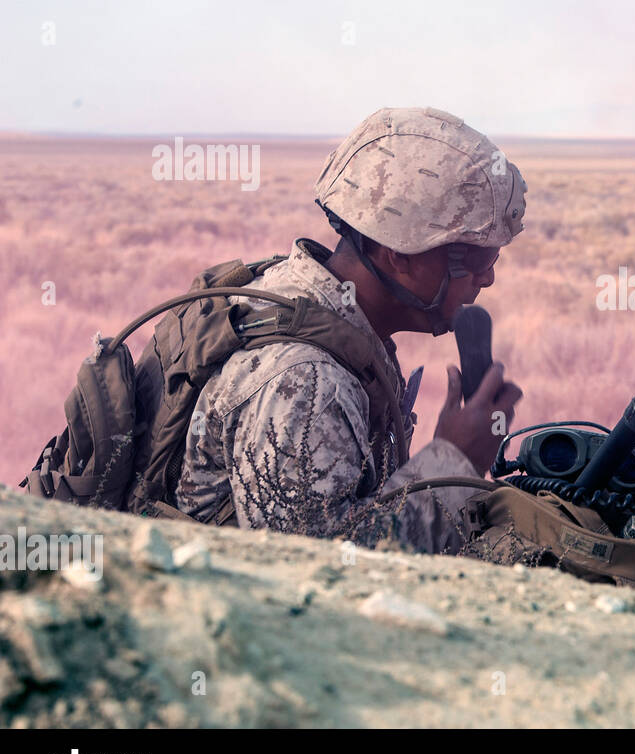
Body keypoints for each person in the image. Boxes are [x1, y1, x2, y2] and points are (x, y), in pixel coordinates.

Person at [173, 106, 526, 553]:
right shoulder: (304, 381)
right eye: (476, 261)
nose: (488, 278)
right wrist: (454, 461)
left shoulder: (335, 312)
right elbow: (317, 577)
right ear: (399, 253)